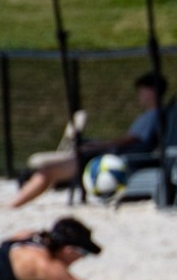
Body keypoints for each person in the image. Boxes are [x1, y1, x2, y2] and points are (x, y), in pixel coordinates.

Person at [10, 72, 168, 209]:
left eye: (141, 91)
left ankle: (14, 204)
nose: (139, 95)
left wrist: (100, 145)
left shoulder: (152, 115)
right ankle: (18, 198)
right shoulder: (152, 114)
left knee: (48, 171)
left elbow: (130, 141)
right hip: (115, 155)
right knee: (53, 168)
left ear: (151, 92)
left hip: (112, 159)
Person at [1, 218, 177, 280]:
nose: (81, 259)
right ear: (69, 250)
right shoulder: (49, 266)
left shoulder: (29, 237)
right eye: (83, 254)